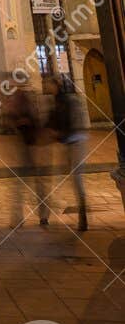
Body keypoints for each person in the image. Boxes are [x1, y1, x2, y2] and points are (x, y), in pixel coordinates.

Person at [2, 74, 48, 226]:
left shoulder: (26, 99)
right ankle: (19, 217)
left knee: (34, 182)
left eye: (12, 83)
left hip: (32, 145)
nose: (10, 86)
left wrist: (20, 120)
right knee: (24, 183)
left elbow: (36, 121)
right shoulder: (14, 100)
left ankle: (42, 214)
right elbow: (9, 123)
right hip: (24, 146)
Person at [50, 75, 89, 233]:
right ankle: (59, 208)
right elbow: (53, 121)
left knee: (76, 177)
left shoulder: (69, 101)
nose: (47, 87)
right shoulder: (58, 101)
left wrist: (57, 134)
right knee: (64, 175)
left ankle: (83, 213)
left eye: (50, 85)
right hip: (68, 142)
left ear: (58, 85)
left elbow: (72, 123)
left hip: (76, 141)